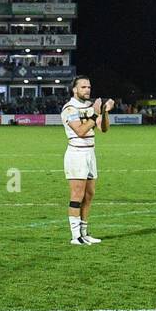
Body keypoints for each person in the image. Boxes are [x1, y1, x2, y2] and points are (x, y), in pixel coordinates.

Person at [61, 74, 112, 244]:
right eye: (83, 87)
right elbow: (81, 131)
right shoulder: (69, 109)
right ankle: (76, 236)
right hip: (76, 153)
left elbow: (104, 129)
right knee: (77, 194)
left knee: (89, 195)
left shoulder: (90, 107)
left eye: (89, 87)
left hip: (90, 153)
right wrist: (95, 114)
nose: (87, 90)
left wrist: (104, 112)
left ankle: (84, 232)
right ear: (74, 89)